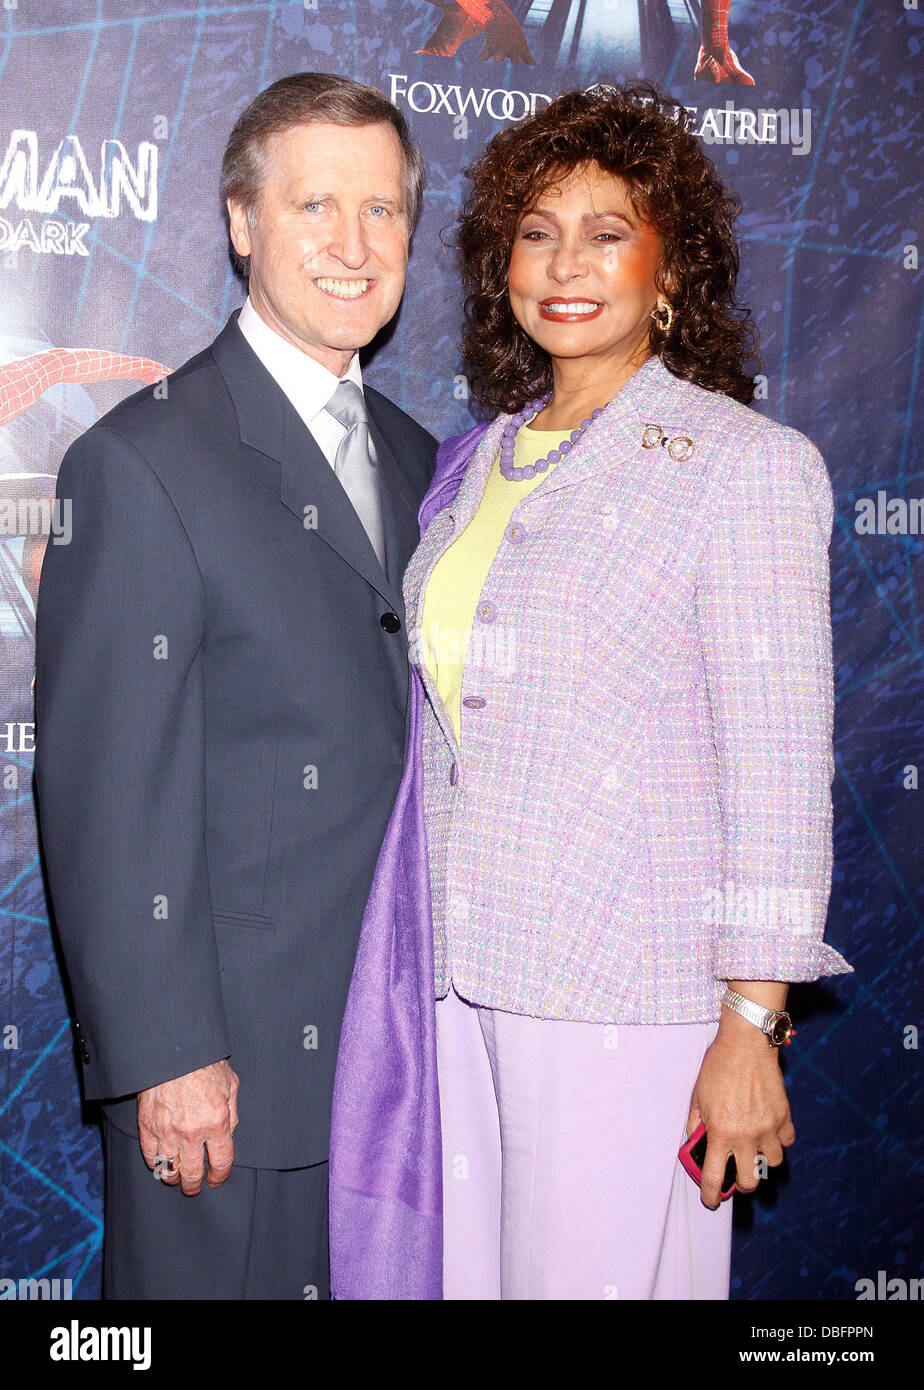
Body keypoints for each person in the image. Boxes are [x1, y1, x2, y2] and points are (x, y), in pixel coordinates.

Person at [328, 80, 852, 1300]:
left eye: (608, 233)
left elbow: (779, 769)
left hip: (627, 994)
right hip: (460, 980)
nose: (567, 263)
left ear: (670, 267)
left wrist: (751, 1024)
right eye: (537, 231)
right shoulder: (474, 469)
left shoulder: (741, 466)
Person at [33, 72, 436, 1300]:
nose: (354, 246)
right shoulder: (141, 461)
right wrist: (170, 1055)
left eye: (384, 211)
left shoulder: (429, 462)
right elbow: (106, 795)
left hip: (406, 1072)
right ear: (240, 221)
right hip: (233, 1084)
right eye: (316, 204)